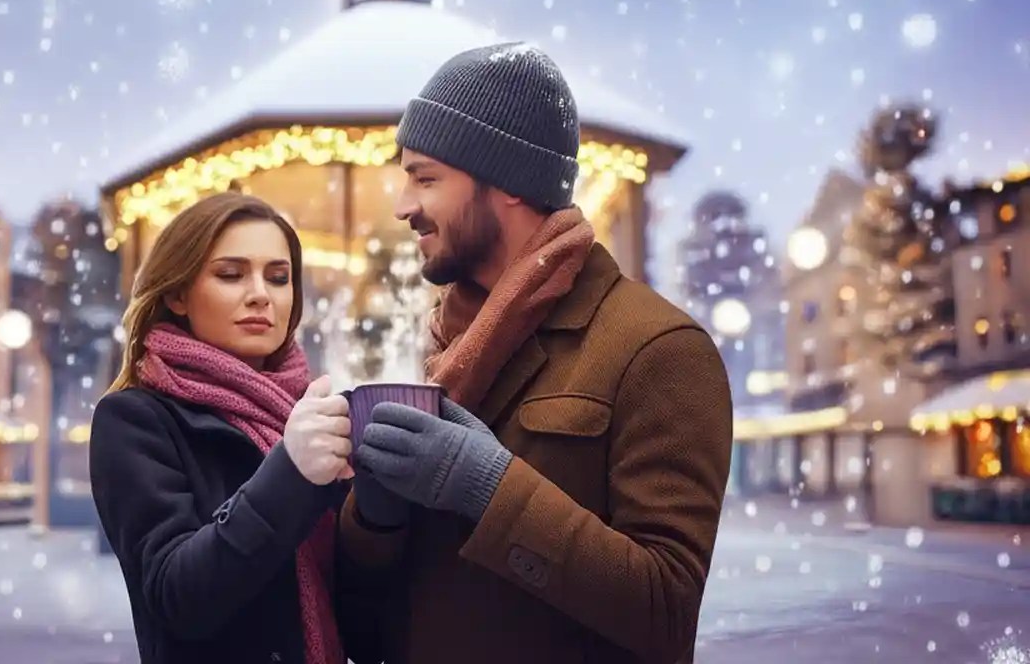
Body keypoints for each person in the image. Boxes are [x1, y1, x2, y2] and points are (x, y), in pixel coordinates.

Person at [339, 43, 734, 664]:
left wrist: (489, 487)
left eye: (425, 177)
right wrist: (375, 520)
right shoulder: (441, 347)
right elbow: (383, 614)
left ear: (510, 184)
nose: (403, 206)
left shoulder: (660, 349)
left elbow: (667, 611)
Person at [91, 192, 355, 664]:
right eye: (231, 274)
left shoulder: (310, 413)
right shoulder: (134, 420)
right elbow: (179, 598)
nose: (260, 294)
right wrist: (290, 473)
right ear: (177, 294)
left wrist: (380, 508)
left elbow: (365, 616)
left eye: (278, 277)